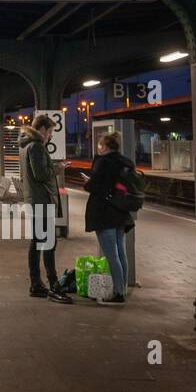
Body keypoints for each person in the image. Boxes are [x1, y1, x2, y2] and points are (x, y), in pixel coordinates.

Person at [21, 115, 71, 303]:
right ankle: (53, 286)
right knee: (49, 243)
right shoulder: (36, 147)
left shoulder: (26, 146)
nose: (50, 136)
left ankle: (36, 284)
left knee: (37, 242)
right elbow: (41, 175)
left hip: (35, 200)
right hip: (42, 201)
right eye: (49, 132)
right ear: (42, 129)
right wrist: (58, 168)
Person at [84, 131, 134, 306]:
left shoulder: (103, 162)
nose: (98, 148)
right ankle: (123, 288)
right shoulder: (126, 162)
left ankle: (118, 293)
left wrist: (88, 180)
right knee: (121, 252)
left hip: (104, 213)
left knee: (111, 254)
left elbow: (92, 185)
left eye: (100, 145)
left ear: (105, 147)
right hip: (121, 213)